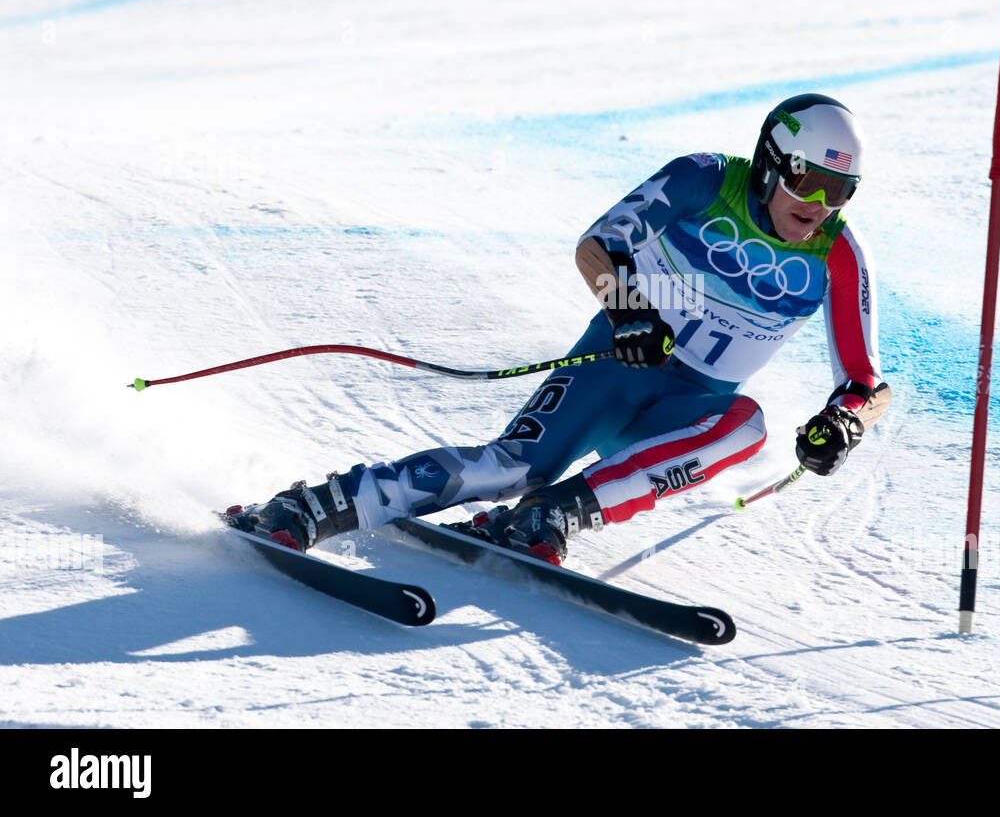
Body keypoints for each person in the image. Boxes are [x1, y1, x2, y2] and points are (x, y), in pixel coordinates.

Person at [227, 93, 891, 565]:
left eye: (841, 191)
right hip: (617, 368)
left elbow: (866, 382)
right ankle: (314, 506)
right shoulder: (705, 180)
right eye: (811, 182)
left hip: (688, 408)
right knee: (515, 466)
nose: (820, 205)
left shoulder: (835, 254)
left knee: (747, 425)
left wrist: (848, 423)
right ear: (774, 162)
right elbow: (597, 245)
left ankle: (554, 515)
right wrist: (626, 308)